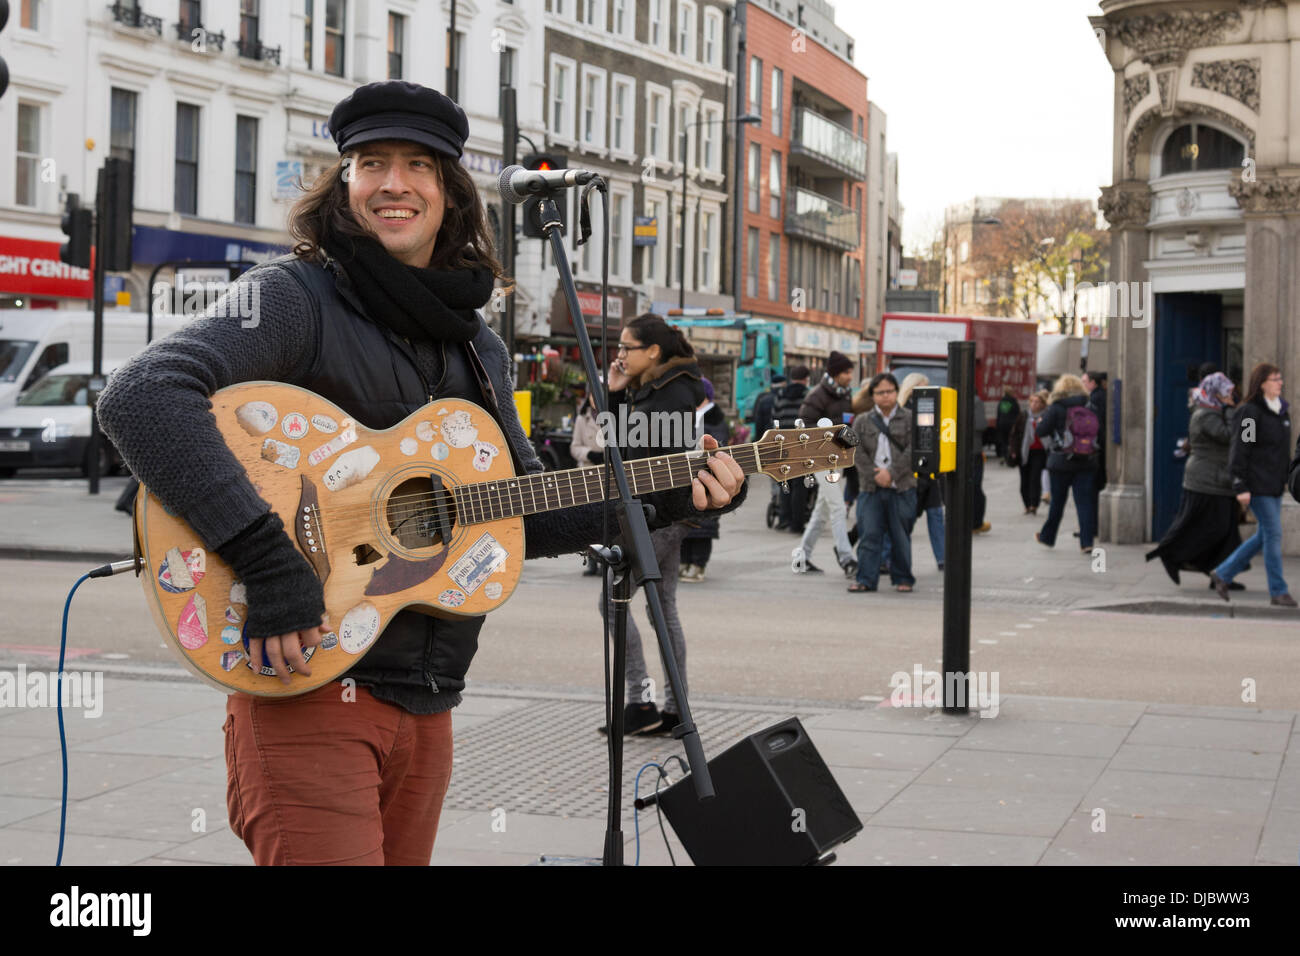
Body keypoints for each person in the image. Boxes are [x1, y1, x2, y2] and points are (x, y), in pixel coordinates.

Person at [97, 81, 744, 865]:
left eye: (418, 165)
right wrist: (271, 563)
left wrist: (666, 494)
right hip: (309, 691)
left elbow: (523, 515)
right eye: (371, 163)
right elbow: (141, 394)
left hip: (429, 704)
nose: (393, 182)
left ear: (450, 193)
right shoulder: (294, 297)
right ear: (345, 184)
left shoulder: (479, 346)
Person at [599, 314, 743, 734]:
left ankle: (643, 703)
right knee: (663, 608)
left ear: (654, 351)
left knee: (613, 605)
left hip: (662, 514)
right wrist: (616, 392)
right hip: (661, 512)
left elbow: (624, 448)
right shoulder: (662, 386)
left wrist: (614, 397)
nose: (619, 355)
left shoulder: (673, 392)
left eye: (627, 347)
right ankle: (673, 709)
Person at [1146, 372, 1244, 589]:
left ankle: (1221, 575)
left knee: (1226, 531)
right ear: (1216, 393)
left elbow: (1246, 439)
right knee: (1210, 528)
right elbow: (1232, 437)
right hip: (1208, 479)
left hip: (1222, 478)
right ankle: (1173, 555)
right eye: (1228, 392)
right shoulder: (1208, 415)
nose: (1232, 396)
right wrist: (1232, 412)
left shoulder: (1223, 412)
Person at [1211, 363, 1295, 606]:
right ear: (1262, 384)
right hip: (1257, 485)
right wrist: (1240, 485)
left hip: (1275, 484)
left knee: (1265, 535)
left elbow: (1280, 452)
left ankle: (1223, 573)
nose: (1280, 382)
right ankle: (1278, 590)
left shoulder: (1281, 412)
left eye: (1280, 378)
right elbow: (1241, 449)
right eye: (1274, 379)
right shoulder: (1250, 413)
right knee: (1274, 533)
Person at [791, 351, 858, 577]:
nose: (851, 376)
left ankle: (801, 558)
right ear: (837, 373)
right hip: (817, 458)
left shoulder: (844, 395)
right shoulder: (817, 395)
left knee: (821, 511)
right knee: (838, 507)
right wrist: (832, 434)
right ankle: (847, 558)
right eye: (848, 372)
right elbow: (803, 425)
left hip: (836, 458)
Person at [848, 372, 916, 593]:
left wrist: (892, 474)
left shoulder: (909, 418)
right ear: (873, 396)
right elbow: (855, 451)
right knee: (869, 534)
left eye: (889, 391)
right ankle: (866, 579)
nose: (885, 396)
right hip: (870, 487)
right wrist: (875, 475)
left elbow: (913, 449)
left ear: (897, 392)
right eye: (880, 392)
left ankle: (903, 577)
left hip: (901, 487)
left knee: (900, 536)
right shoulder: (862, 421)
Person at [1034, 374, 1100, 551]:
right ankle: (1087, 542)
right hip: (1086, 461)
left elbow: (1041, 431)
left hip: (1061, 462)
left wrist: (1042, 422)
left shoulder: (1056, 407)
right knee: (1084, 503)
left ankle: (1048, 537)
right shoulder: (1090, 406)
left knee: (1057, 502)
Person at [681, 378, 731, 583]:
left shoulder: (714, 418)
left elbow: (717, 446)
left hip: (708, 478)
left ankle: (698, 564)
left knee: (704, 528)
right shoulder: (689, 416)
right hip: (687, 478)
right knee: (684, 525)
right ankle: (683, 562)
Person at [897, 372, 944, 570]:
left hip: (928, 471)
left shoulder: (927, 407)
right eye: (923, 387)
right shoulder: (903, 411)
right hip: (911, 473)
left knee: (935, 514)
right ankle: (891, 557)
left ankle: (942, 558)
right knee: (907, 518)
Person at [569, 382, 605, 575]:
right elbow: (574, 447)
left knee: (605, 518)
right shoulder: (582, 419)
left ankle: (605, 559)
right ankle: (591, 559)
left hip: (607, 473)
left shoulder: (615, 417)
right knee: (589, 519)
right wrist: (590, 454)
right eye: (593, 394)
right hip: (588, 474)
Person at [772, 365, 812, 532]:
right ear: (805, 379)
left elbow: (774, 418)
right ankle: (797, 523)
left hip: (783, 442)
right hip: (801, 443)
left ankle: (783, 518)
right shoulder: (807, 395)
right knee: (800, 485)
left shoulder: (780, 394)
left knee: (785, 480)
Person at [1008, 390, 1049, 515]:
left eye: (1037, 402)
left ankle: (1033, 505)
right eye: (1032, 402)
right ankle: (1026, 504)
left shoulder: (1046, 416)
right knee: (1024, 480)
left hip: (1040, 451)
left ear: (1042, 404)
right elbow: (1015, 434)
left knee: (1035, 478)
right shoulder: (1024, 415)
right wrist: (1014, 450)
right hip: (1025, 452)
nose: (1034, 404)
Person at [1080, 370, 1108, 540]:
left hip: (1096, 451)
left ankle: (1092, 528)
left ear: (1093, 382)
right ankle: (1091, 527)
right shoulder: (1097, 397)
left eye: (1085, 381)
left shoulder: (1096, 399)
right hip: (1099, 450)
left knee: (1092, 490)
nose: (1083, 385)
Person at [995, 385, 1020, 464]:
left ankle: (1003, 456)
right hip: (1011, 425)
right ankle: (1009, 457)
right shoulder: (1014, 402)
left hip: (1002, 424)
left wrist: (998, 424)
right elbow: (1018, 414)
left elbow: (999, 414)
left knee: (1003, 441)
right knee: (1011, 441)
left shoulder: (1001, 402)